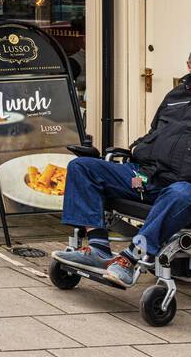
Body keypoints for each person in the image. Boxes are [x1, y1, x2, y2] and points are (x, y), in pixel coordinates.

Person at [54, 51, 191, 287]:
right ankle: (98, 248)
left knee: (181, 193)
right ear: (189, 64)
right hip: (147, 174)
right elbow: (155, 132)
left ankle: (130, 258)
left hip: (181, 186)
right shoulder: (175, 95)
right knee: (82, 167)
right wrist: (139, 148)